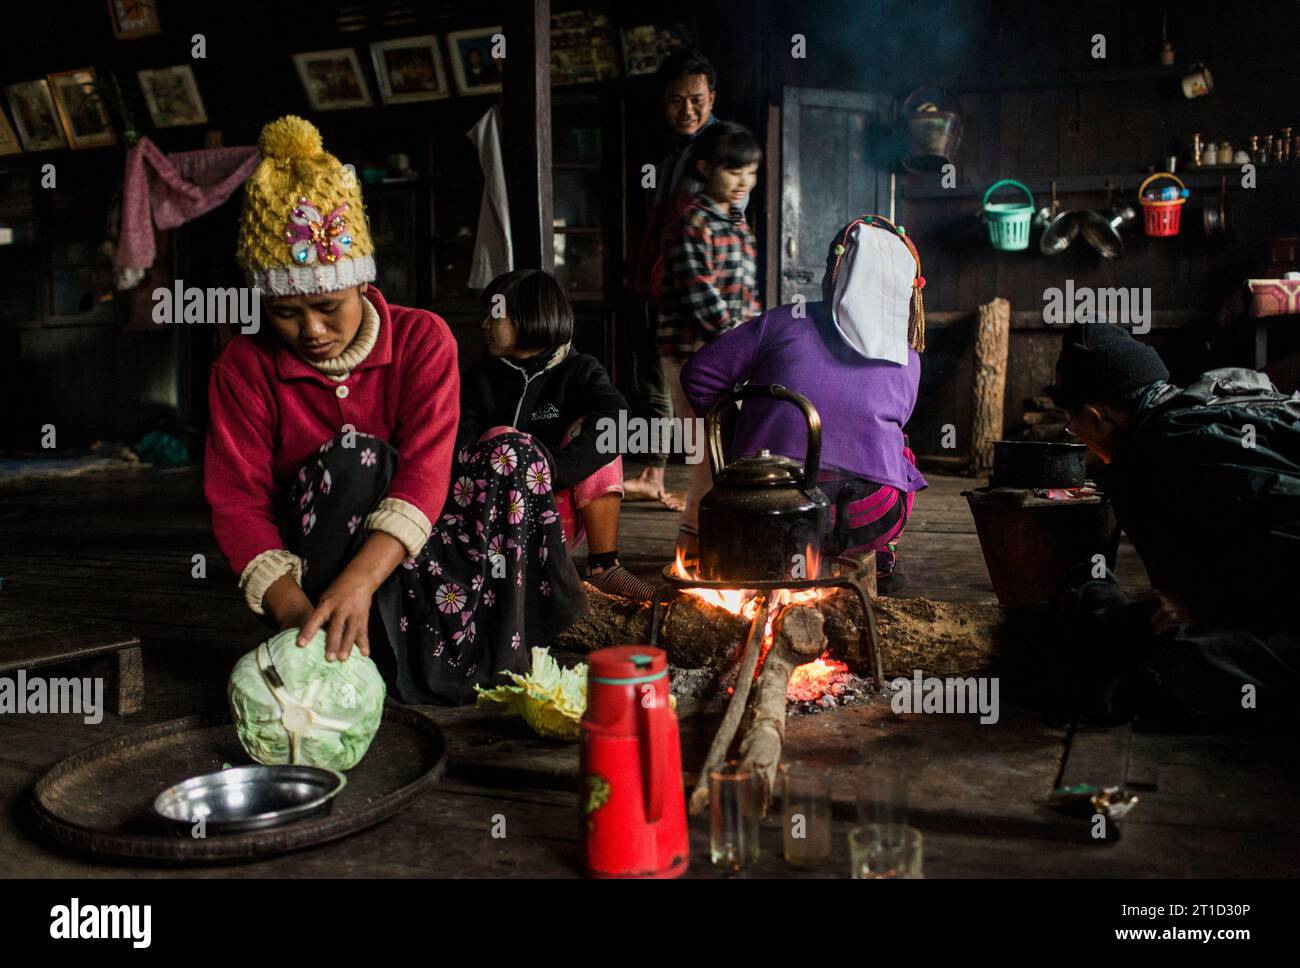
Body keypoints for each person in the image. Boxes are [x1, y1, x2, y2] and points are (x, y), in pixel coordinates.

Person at [205, 116, 586, 706]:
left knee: (515, 453)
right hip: (316, 571)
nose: (310, 330)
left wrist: (365, 579)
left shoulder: (422, 339)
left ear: (363, 282)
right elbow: (237, 504)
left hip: (417, 539)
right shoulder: (242, 366)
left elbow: (428, 472)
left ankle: (499, 654)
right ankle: (367, 655)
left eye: (328, 305)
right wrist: (298, 620)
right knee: (353, 457)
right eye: (284, 312)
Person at [1049, 321, 1300, 727]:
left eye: (1069, 420)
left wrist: (1201, 604)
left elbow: (1287, 543)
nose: (1072, 432)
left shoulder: (1170, 447)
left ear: (1098, 417)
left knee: (1162, 659)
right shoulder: (1208, 402)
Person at [682, 216, 927, 585]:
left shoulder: (783, 321)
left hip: (764, 508)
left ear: (834, 272)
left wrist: (740, 443)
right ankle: (879, 550)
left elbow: (698, 375)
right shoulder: (908, 358)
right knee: (901, 450)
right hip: (865, 517)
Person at [459, 269, 658, 601]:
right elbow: (461, 451)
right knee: (502, 437)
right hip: (491, 528)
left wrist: (551, 470)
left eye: (494, 314)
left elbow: (619, 418)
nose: (484, 325)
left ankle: (604, 567)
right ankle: (508, 572)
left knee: (600, 430)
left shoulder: (578, 369)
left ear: (529, 316)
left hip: (556, 515)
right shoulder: (479, 379)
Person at [623, 49, 728, 511]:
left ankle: (709, 482)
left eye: (696, 99)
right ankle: (654, 473)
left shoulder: (722, 151)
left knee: (696, 385)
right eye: (676, 100)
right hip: (656, 284)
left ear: (712, 98)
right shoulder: (663, 151)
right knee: (654, 380)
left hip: (699, 289)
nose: (687, 109)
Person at [659, 120, 763, 553]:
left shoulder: (738, 224)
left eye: (751, 172)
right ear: (706, 168)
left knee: (728, 445)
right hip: (693, 355)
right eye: (733, 171)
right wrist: (739, 342)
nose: (743, 181)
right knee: (706, 447)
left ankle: (716, 535)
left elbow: (747, 295)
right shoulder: (692, 223)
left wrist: (759, 339)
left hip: (730, 353)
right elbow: (699, 293)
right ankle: (692, 542)